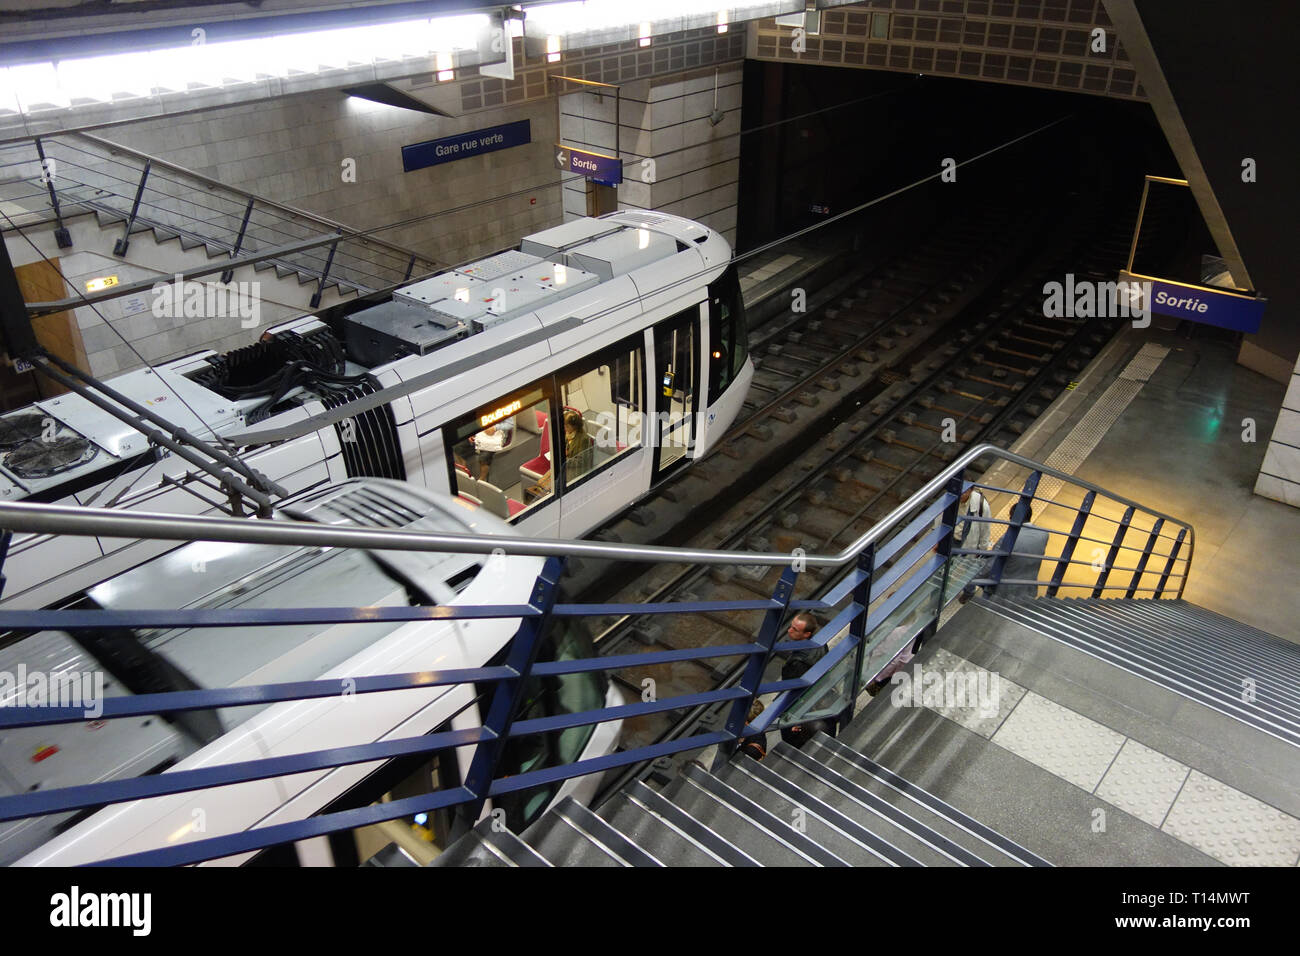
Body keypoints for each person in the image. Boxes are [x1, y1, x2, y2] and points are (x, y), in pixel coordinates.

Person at [989, 503, 1050, 600]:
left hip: (1005, 592)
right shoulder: (1044, 534)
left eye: (1010, 517)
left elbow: (991, 563)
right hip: (1029, 590)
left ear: (1014, 517)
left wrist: (974, 579)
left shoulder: (1008, 538)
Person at [527, 409, 593, 496]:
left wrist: (564, 459)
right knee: (545, 479)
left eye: (567, 426)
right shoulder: (568, 434)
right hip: (565, 464)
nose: (564, 428)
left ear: (574, 426)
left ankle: (547, 496)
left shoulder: (583, 439)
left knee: (555, 483)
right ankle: (538, 492)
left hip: (577, 469)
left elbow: (582, 461)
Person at [779, 611, 824, 681]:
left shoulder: (798, 663)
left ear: (806, 634)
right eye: (791, 626)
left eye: (795, 630)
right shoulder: (821, 639)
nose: (789, 630)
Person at [469, 416, 514, 481]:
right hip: (482, 432)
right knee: (460, 446)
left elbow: (510, 424)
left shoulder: (504, 408)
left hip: (498, 433)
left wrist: (495, 428)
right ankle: (464, 471)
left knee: (484, 456)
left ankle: (482, 479)